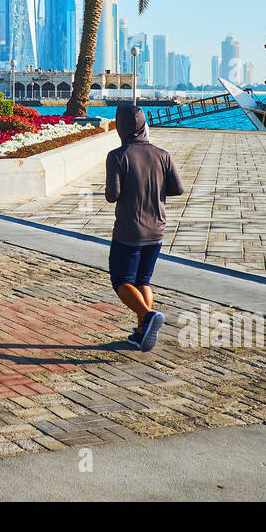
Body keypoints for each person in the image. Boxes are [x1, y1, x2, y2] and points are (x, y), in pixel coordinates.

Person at [105, 104, 184, 352]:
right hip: (157, 230)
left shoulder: (118, 156)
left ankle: (147, 316)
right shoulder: (163, 154)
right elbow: (177, 189)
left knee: (121, 280)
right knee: (143, 280)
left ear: (121, 126)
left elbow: (112, 194)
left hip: (129, 231)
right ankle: (141, 332)